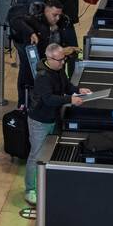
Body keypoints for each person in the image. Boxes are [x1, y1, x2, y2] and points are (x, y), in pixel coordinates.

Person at [25, 43, 90, 204]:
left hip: (53, 118)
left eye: (64, 59)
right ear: (49, 58)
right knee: (36, 155)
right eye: (60, 60)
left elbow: (65, 85)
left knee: (49, 152)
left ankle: (43, 182)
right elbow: (49, 99)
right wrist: (70, 100)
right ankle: (30, 189)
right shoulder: (42, 76)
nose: (62, 63)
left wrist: (77, 90)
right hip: (39, 121)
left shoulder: (57, 69)